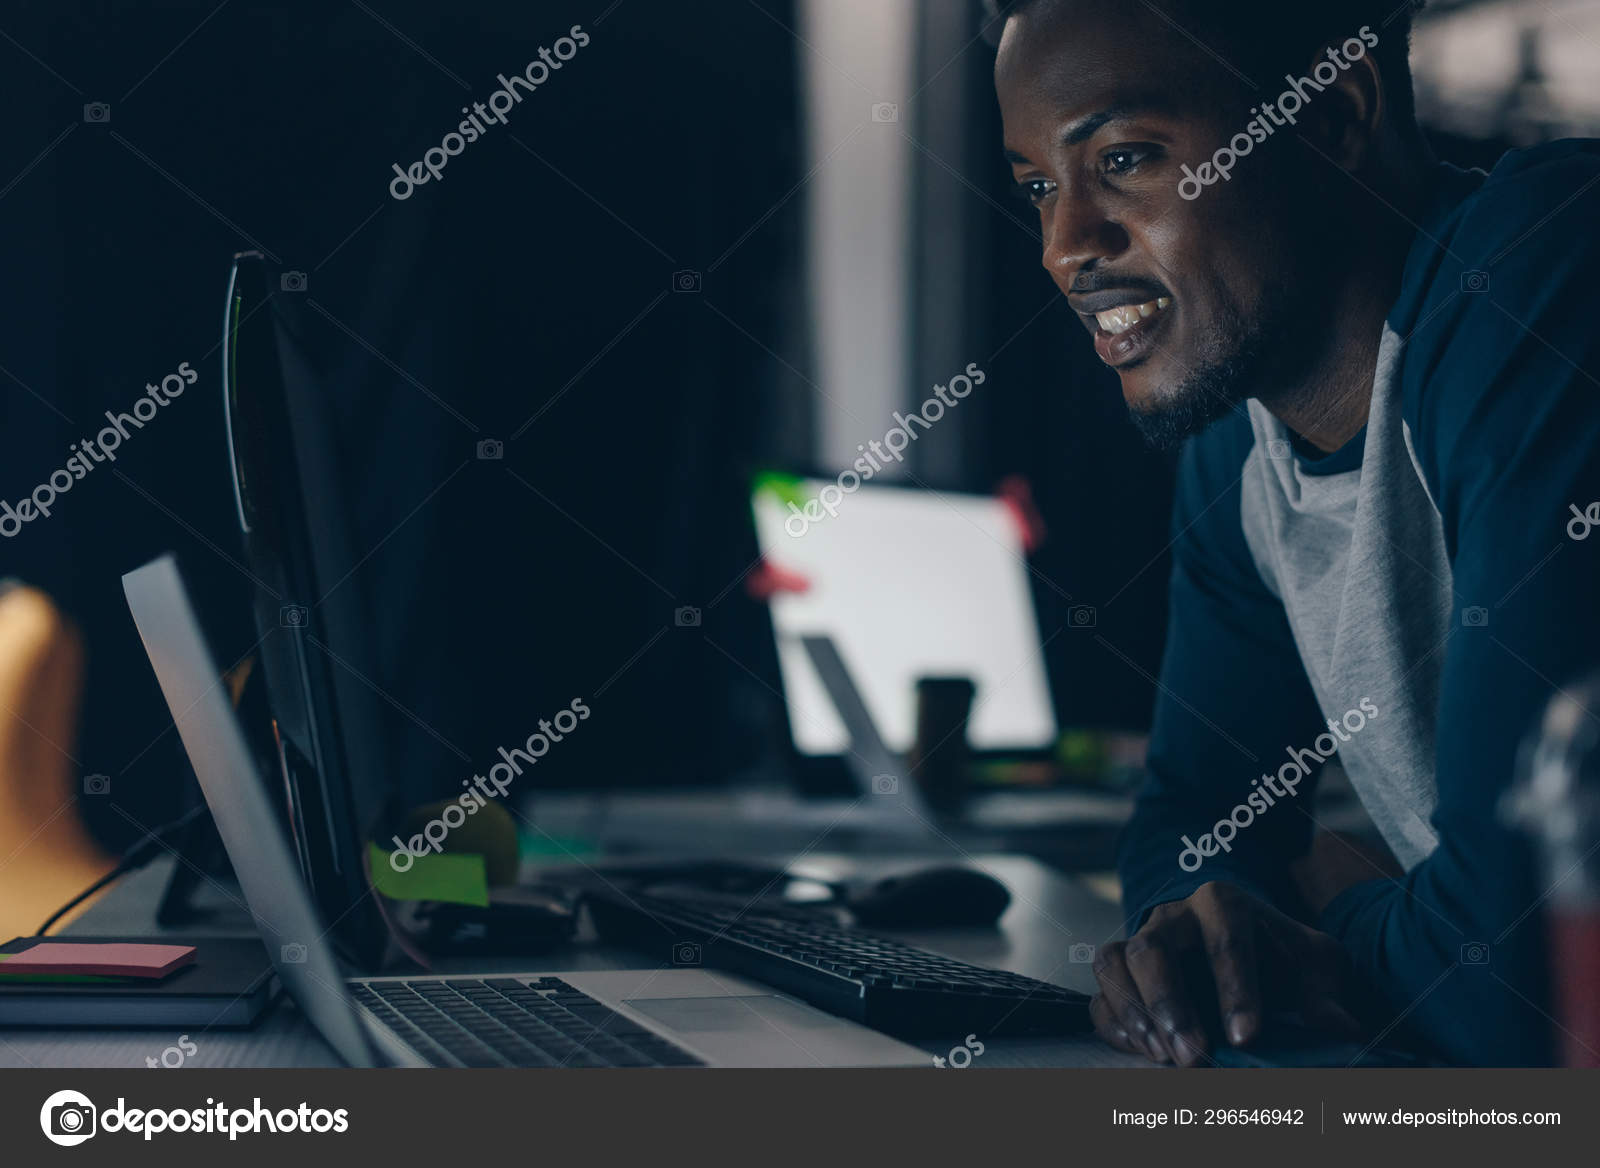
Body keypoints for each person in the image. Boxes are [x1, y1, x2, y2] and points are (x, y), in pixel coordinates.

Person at [987, 0, 1600, 1065]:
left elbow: (1525, 975)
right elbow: (1193, 828)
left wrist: (1307, 923)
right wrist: (1210, 930)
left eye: (1124, 158)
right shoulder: (1237, 450)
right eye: (1040, 184)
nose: (1063, 245)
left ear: (1330, 115)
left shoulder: (1546, 273)